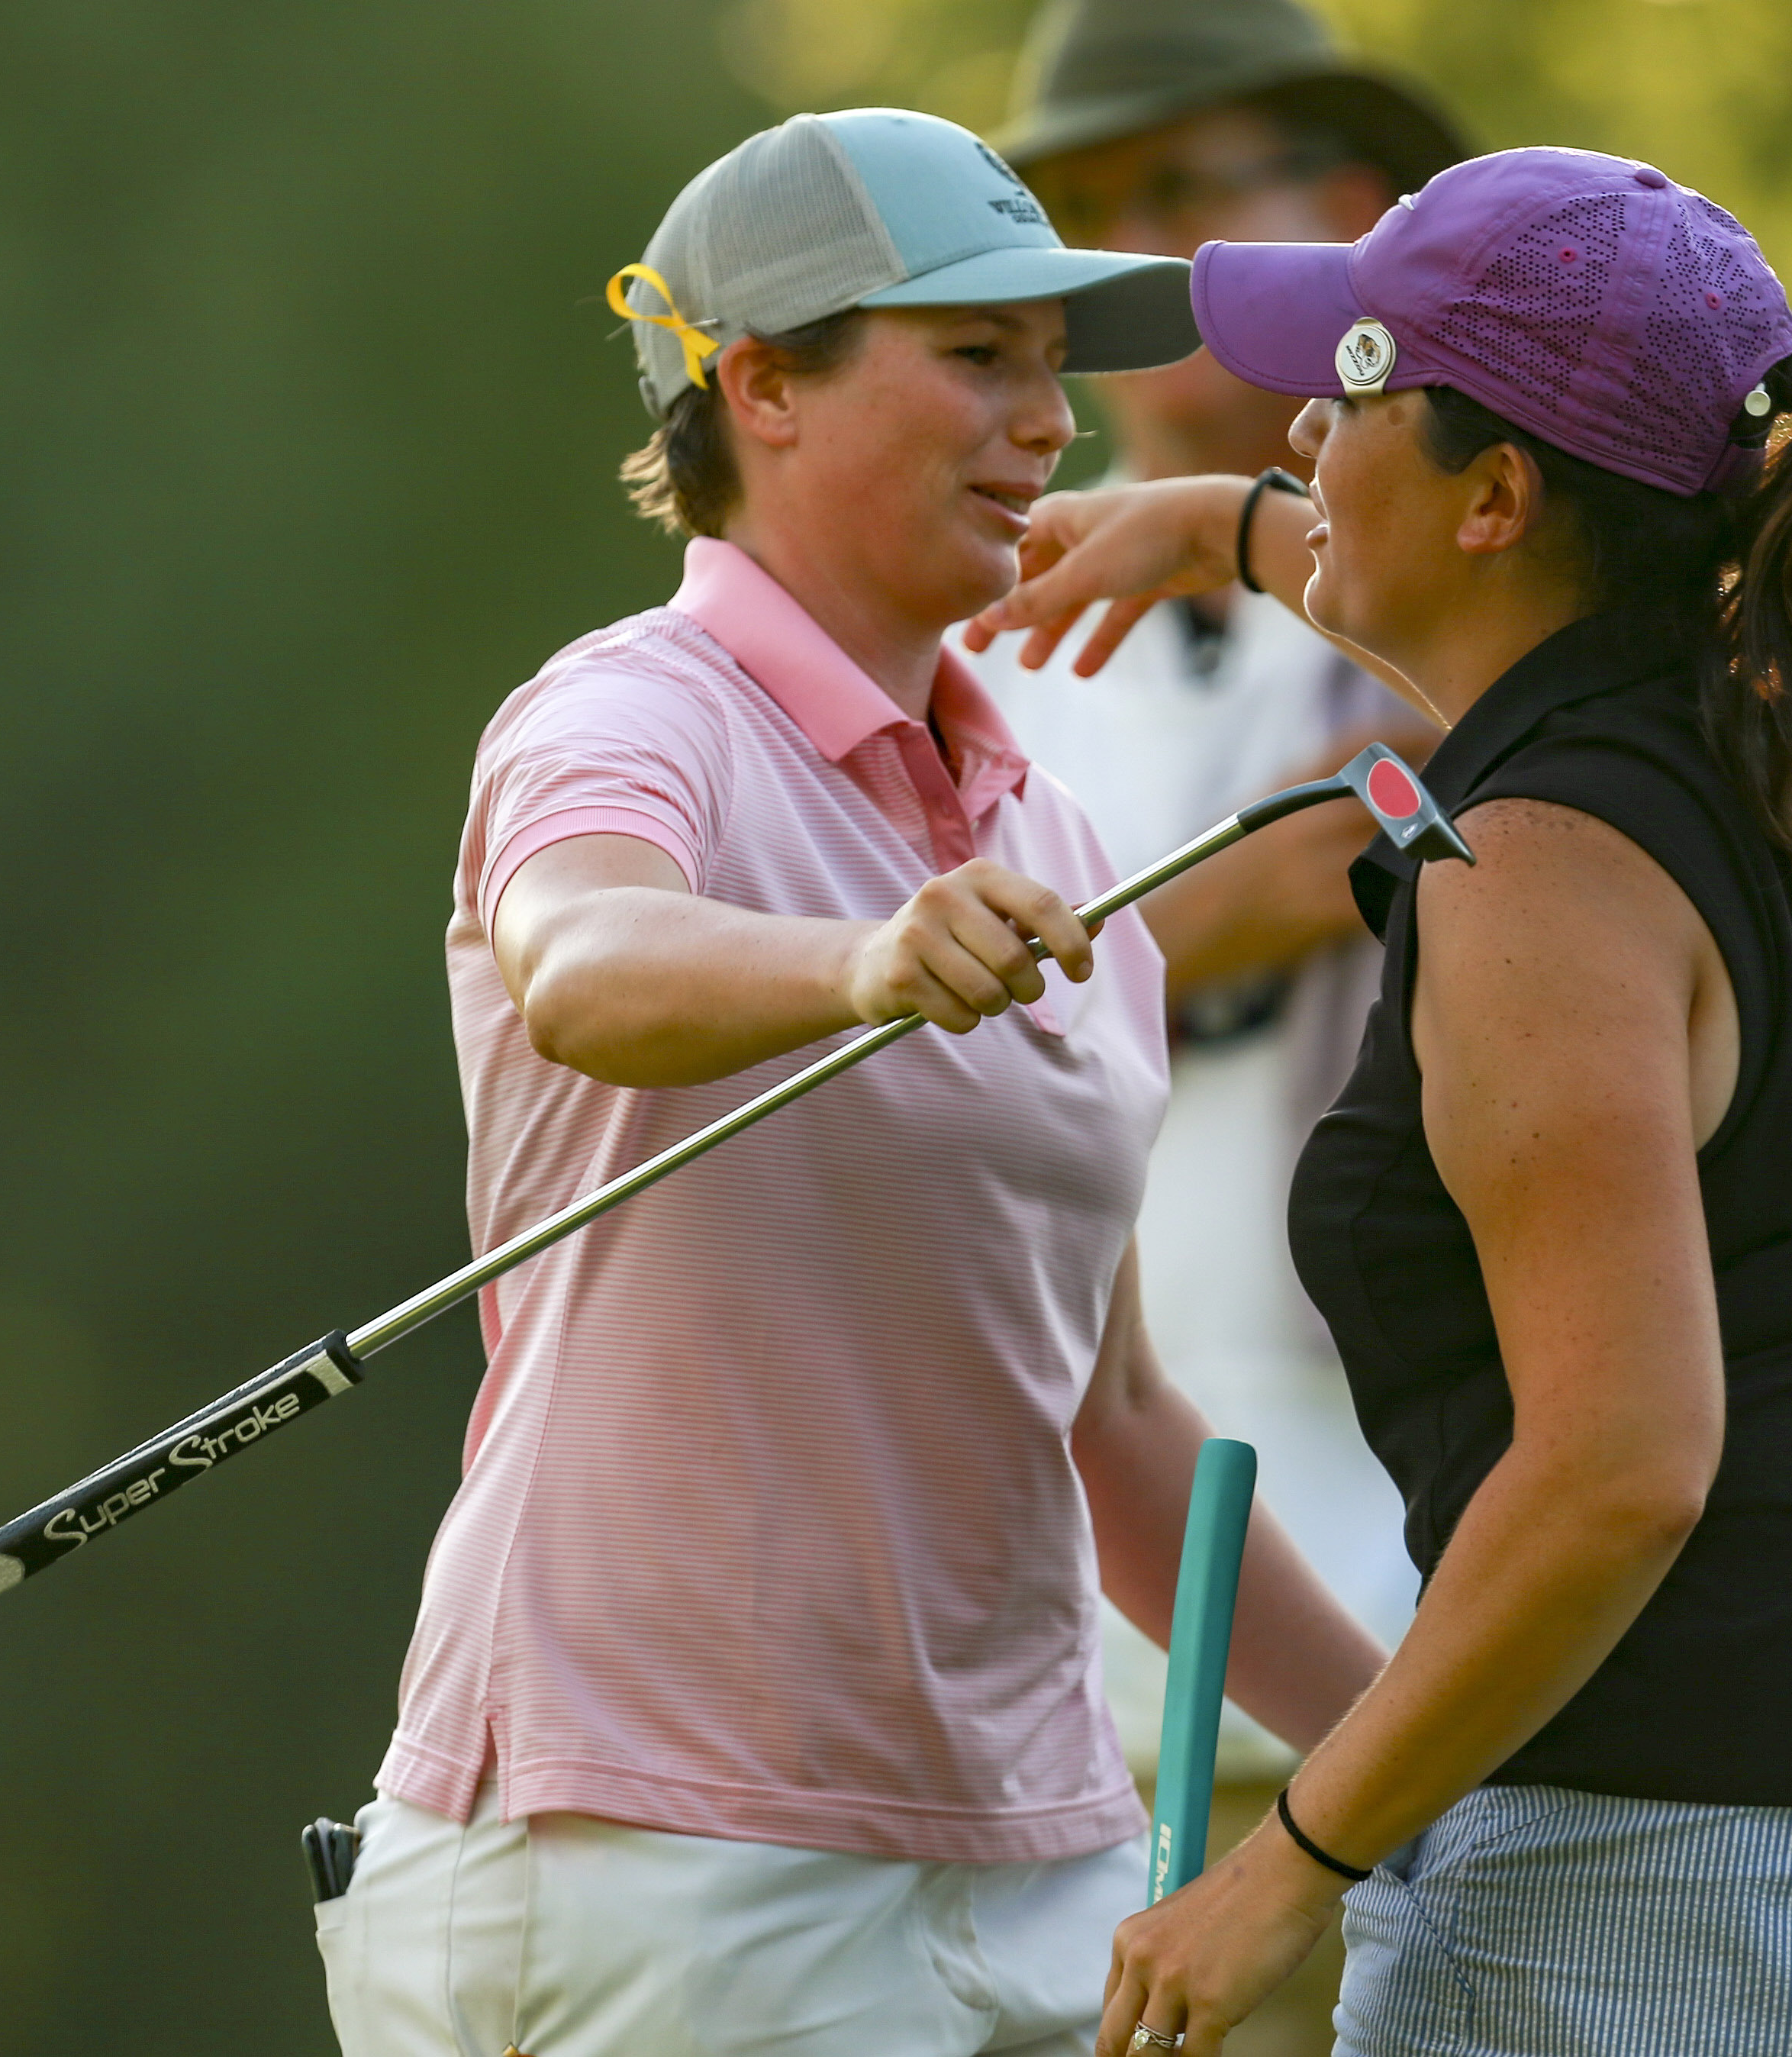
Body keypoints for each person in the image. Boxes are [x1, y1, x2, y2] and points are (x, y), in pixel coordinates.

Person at [967, 148, 1792, 2055]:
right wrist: (1233, 530)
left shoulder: (1538, 884)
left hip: (1728, 1893)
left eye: (1345, 397)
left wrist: (1291, 1872)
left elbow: (1616, 1472)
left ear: (1498, 494)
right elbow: (1523, 625)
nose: (1298, 430)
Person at [316, 109, 1384, 2057]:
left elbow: (1116, 1415)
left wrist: (1421, 1764)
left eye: (1056, 368)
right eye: (977, 357)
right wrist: (859, 964)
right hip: (657, 1846)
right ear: (763, 385)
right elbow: (584, 961)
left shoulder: (1064, 842)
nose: (1048, 422)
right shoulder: (628, 710)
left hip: (1029, 1857)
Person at [975, 0, 1474, 1756]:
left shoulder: (1488, 528)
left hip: (1432, 1547)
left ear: (1343, 204)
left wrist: (1023, 957)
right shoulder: (971, 613)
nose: (1121, 263)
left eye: (1171, 187)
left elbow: (1396, 807)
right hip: (1048, 1600)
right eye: (1076, 214)